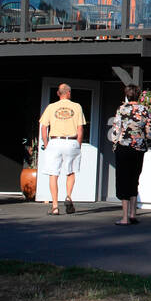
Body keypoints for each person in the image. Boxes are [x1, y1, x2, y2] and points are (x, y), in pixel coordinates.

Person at [40, 83, 86, 215]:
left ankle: (55, 206)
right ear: (69, 93)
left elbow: (43, 127)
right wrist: (78, 143)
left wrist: (46, 143)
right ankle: (68, 196)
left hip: (55, 141)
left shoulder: (51, 107)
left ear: (58, 94)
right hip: (71, 141)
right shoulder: (77, 106)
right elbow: (80, 128)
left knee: (53, 174)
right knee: (70, 171)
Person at [111, 85, 150, 226]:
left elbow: (116, 130)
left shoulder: (122, 109)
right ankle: (133, 214)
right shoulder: (144, 110)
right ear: (139, 95)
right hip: (139, 148)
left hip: (124, 147)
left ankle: (125, 218)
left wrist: (115, 144)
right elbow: (149, 132)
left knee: (123, 180)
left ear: (127, 95)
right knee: (134, 178)